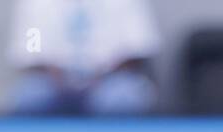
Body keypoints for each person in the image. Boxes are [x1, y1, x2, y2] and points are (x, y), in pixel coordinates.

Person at [9, 0, 160, 115]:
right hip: (53, 80)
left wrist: (100, 77)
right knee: (32, 96)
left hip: (108, 78)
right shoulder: (33, 3)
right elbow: (29, 53)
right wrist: (57, 77)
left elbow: (136, 50)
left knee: (120, 98)